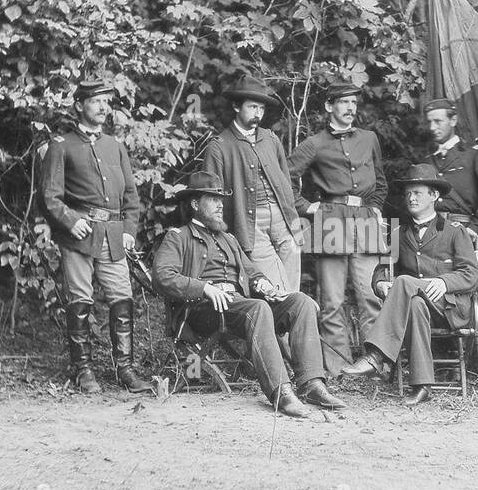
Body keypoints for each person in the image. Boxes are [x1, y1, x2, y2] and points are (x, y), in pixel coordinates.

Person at [151, 171, 345, 418]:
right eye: (213, 199)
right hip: (200, 311)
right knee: (257, 308)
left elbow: (252, 273)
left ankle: (312, 384)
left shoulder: (229, 239)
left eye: (221, 199)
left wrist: (266, 287)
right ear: (195, 204)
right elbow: (163, 277)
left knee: (300, 302)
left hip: (239, 308)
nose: (221, 205)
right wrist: (205, 288)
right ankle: (281, 392)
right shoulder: (178, 238)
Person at [41, 79, 152, 394]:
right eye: (96, 101)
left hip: (114, 237)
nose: (104, 108)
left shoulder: (115, 146)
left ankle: (125, 370)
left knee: (122, 298)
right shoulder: (61, 144)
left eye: (107, 102)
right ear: (79, 105)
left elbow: (131, 196)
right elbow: (50, 197)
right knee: (80, 300)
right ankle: (83, 370)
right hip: (79, 237)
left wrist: (129, 231)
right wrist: (69, 220)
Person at [340, 165, 478, 406]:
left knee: (404, 281)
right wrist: (381, 283)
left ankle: (377, 355)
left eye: (417, 193)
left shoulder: (455, 232)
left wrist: (444, 281)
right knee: (414, 302)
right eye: (408, 194)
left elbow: (471, 273)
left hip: (450, 308)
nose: (411, 198)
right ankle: (422, 385)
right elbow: (381, 270)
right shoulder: (399, 233)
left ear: (434, 196)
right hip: (420, 307)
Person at [288, 79, 388, 377]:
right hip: (330, 219)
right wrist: (307, 207)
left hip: (367, 218)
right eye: (344, 102)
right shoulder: (315, 143)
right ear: (330, 106)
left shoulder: (369, 139)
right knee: (332, 300)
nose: (350, 108)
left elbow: (380, 181)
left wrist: (378, 208)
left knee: (371, 294)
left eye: (354, 103)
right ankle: (337, 366)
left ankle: (376, 362)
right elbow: (286, 177)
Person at [200, 74, 301, 294]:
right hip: (249, 225)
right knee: (276, 288)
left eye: (262, 108)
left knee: (293, 287)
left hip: (283, 219)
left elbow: (285, 180)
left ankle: (287, 327)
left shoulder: (271, 139)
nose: (258, 114)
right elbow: (209, 197)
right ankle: (279, 325)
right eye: (253, 107)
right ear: (237, 106)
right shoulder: (219, 146)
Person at [425, 98, 478, 242]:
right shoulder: (428, 161)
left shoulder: (474, 154)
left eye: (438, 121)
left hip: (464, 235)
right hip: (430, 235)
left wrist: (475, 227)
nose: (432, 127)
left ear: (453, 120)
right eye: (429, 122)